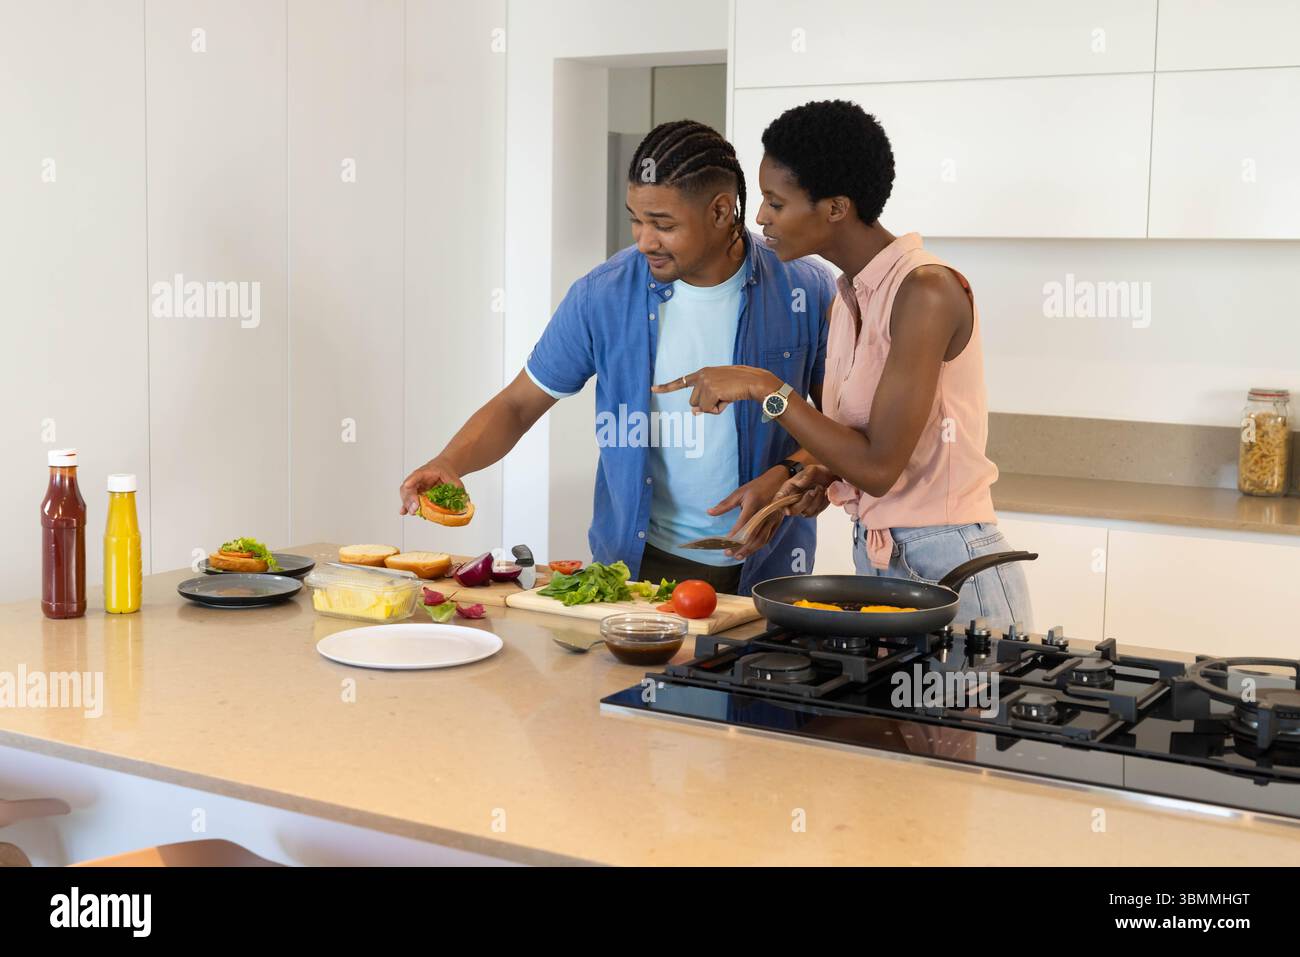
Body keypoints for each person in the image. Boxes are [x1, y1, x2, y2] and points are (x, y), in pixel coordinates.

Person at [400, 120, 835, 595]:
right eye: (636, 219)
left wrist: (790, 472)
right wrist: (450, 462)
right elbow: (518, 404)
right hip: (634, 570)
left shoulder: (805, 288)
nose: (645, 240)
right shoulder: (602, 294)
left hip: (768, 569)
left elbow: (844, 426)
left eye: (664, 224)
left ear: (719, 211)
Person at [653, 101, 1033, 628]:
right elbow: (862, 444)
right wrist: (805, 474)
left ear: (835, 208)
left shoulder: (926, 290)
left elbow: (879, 469)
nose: (760, 217)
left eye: (775, 202)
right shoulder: (849, 297)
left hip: (953, 571)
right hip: (883, 561)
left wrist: (764, 387)